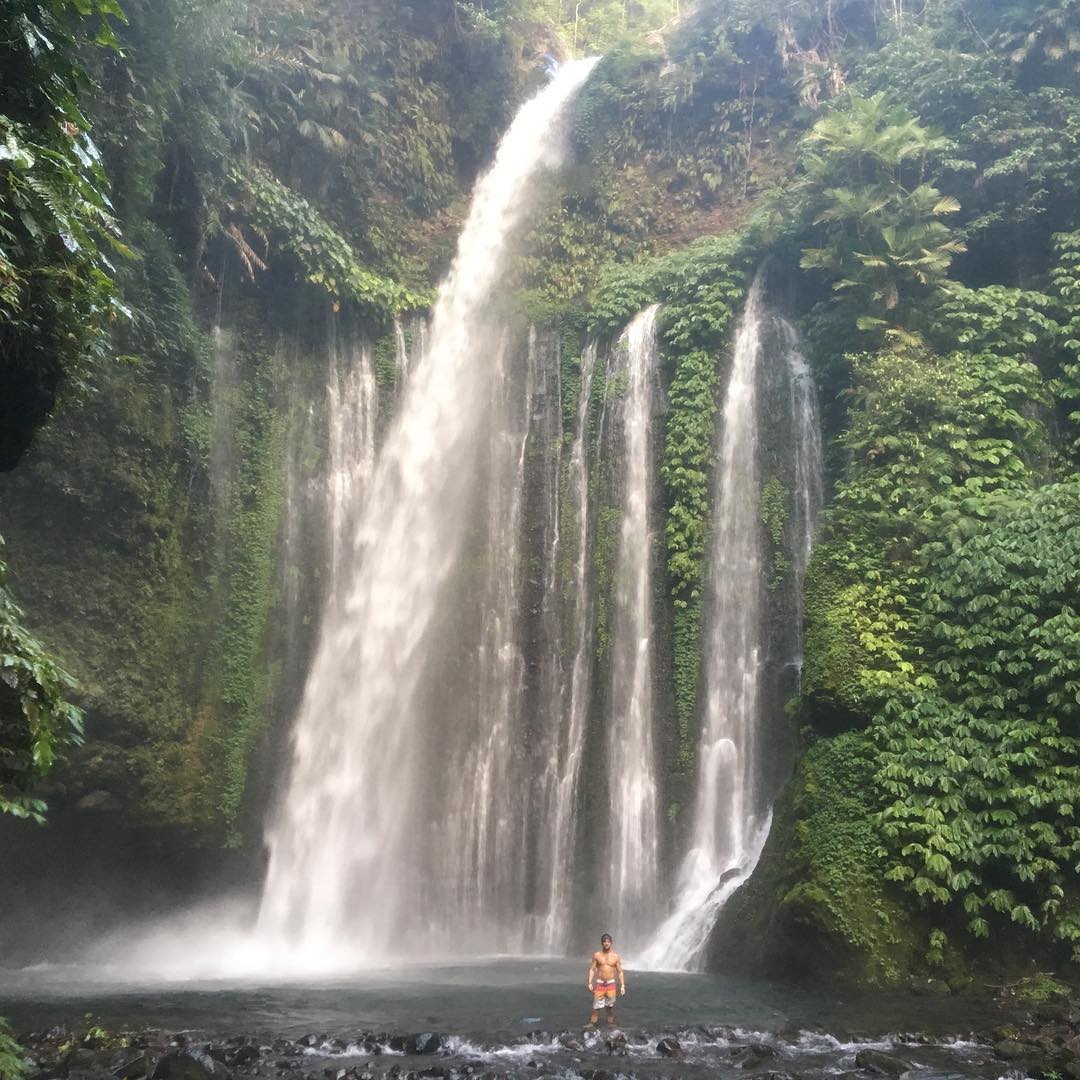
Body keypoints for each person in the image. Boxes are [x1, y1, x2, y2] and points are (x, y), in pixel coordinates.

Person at [586, 932, 625, 1026]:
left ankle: (610, 1022)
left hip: (611, 983)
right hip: (600, 983)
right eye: (604, 941)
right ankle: (592, 1022)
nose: (606, 943)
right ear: (602, 943)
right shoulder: (597, 955)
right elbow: (592, 969)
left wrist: (623, 985)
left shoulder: (616, 956)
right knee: (596, 1005)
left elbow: (620, 971)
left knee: (610, 1006)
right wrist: (590, 982)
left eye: (608, 941)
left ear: (611, 943)